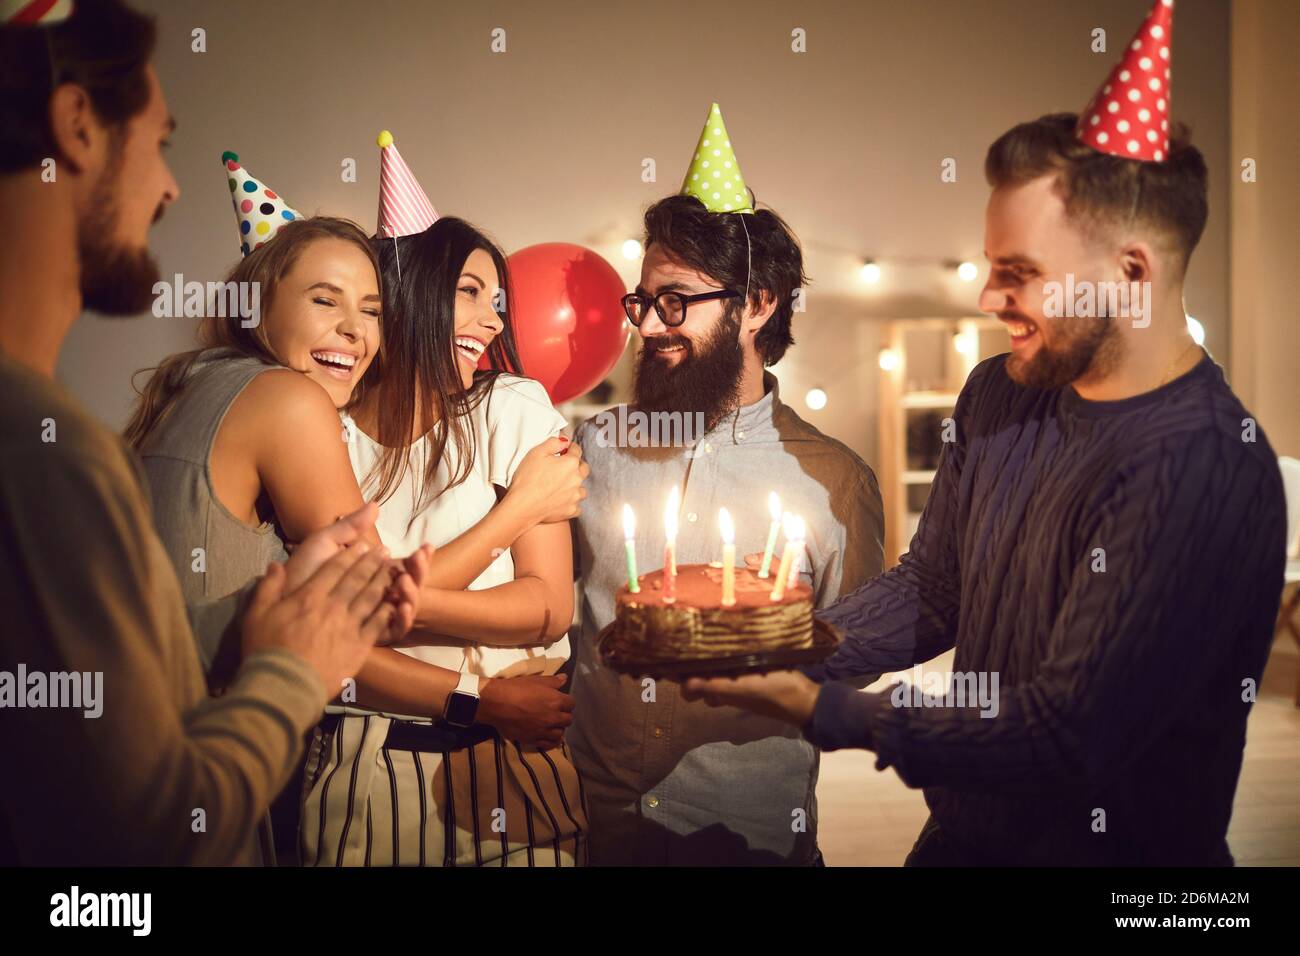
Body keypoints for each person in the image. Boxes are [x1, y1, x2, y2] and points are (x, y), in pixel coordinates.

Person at [683, 4, 1288, 867]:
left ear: (1130, 274)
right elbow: (936, 586)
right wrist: (785, 645)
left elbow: (1065, 736)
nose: (988, 297)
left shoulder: (1200, 466)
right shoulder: (1000, 395)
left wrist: (827, 711)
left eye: (1020, 274)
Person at [0, 0, 414, 865]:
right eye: (157, 141)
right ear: (77, 125)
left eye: (369, 309)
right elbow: (142, 835)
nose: (169, 185)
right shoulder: (46, 449)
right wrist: (290, 668)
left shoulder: (143, 411)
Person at [568, 104, 885, 865]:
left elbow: (862, 649)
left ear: (758, 305)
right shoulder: (593, 447)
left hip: (748, 837)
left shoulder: (832, 479)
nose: (648, 325)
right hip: (595, 826)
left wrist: (753, 640)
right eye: (643, 302)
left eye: (676, 301)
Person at [298, 134, 589, 867]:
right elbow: (316, 654)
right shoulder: (316, 432)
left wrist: (377, 613)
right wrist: (511, 515)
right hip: (349, 778)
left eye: (496, 304)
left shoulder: (512, 407)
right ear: (406, 293)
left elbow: (547, 608)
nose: (493, 322)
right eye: (469, 293)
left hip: (500, 768)